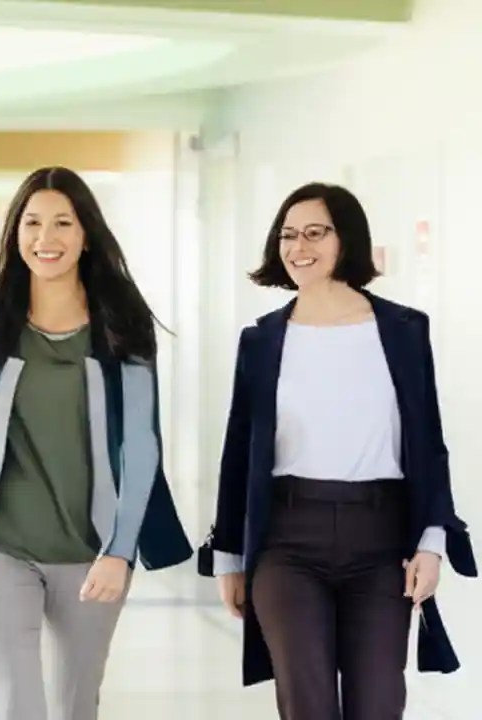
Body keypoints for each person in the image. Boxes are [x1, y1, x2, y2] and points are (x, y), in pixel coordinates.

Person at [0, 167, 192, 720]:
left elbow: (141, 444)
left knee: (75, 705)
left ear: (87, 234)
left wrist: (120, 550)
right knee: (14, 704)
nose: (47, 238)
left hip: (90, 551)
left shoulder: (122, 323)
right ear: (15, 235)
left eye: (63, 222)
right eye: (33, 223)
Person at [198, 182, 477, 719]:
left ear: (345, 238)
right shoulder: (262, 341)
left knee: (377, 704)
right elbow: (239, 454)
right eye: (287, 235)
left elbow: (427, 442)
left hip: (382, 543)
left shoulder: (402, 330)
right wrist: (229, 557)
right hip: (287, 541)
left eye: (314, 232)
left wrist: (433, 540)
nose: (298, 246)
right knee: (309, 704)